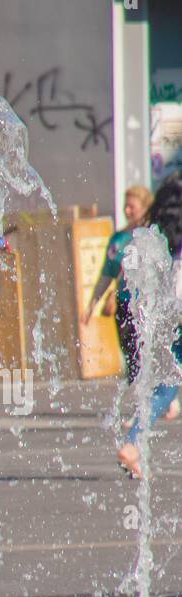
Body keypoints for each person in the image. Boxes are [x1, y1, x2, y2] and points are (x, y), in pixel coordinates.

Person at [117, 173, 182, 480]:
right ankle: (133, 442)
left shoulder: (171, 186)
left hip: (171, 290)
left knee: (170, 375)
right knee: (171, 379)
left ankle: (134, 440)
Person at [82, 186, 156, 388]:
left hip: (146, 304)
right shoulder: (118, 239)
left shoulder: (151, 237)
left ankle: (159, 396)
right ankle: (141, 400)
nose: (127, 211)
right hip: (124, 304)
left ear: (145, 207)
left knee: (146, 352)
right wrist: (92, 304)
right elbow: (107, 274)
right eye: (126, 206)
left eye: (132, 206)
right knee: (130, 353)